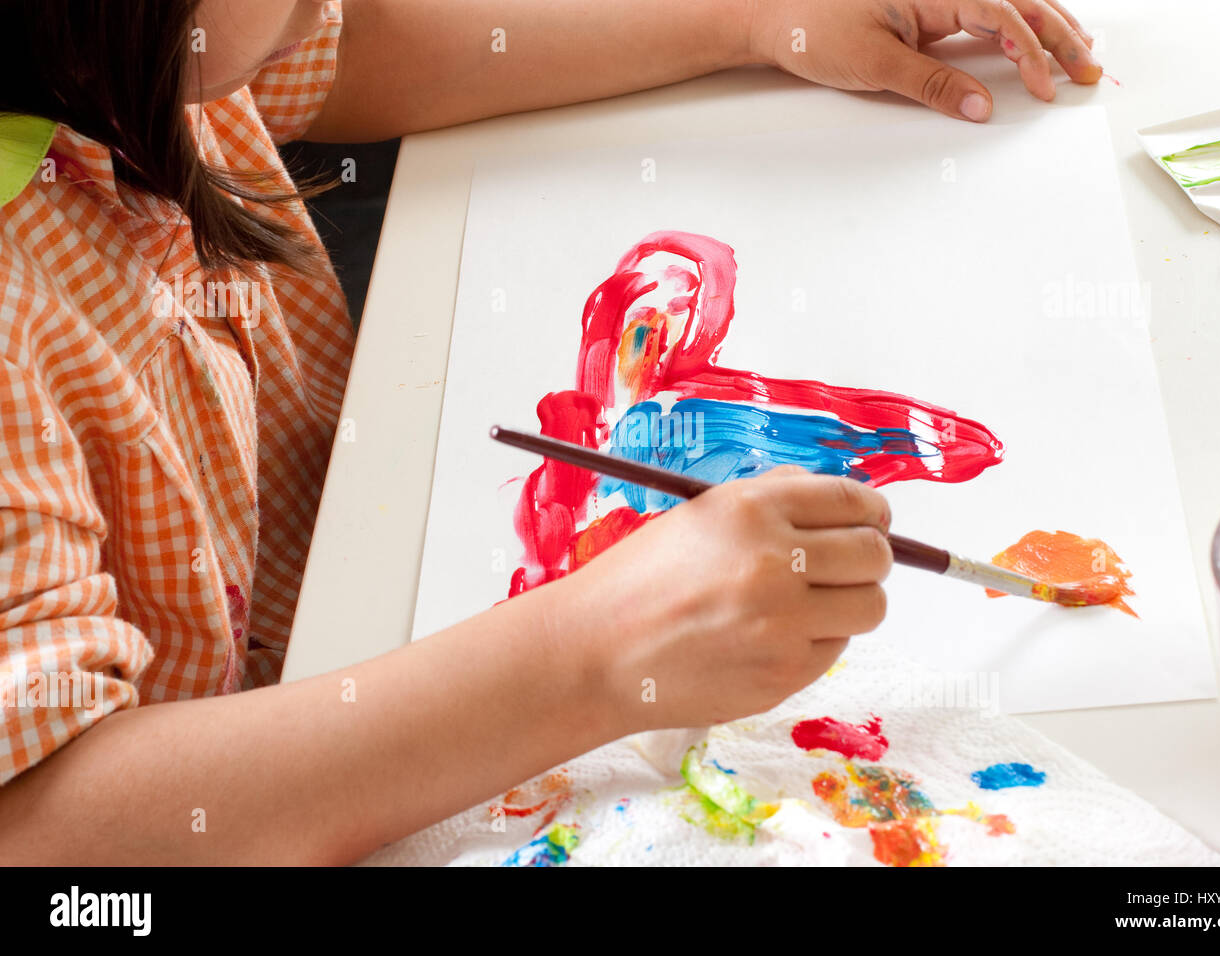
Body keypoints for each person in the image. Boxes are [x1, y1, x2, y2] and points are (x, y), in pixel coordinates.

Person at [0, 0, 1100, 864]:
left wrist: (752, 19)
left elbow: (354, 46)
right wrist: (595, 650)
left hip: (328, 646)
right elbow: (47, 829)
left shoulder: (140, 45)